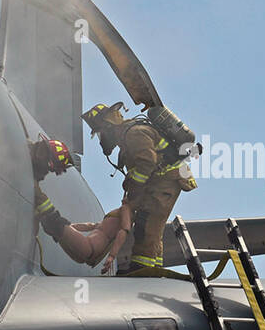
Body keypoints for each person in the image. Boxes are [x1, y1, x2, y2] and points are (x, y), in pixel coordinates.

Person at [83, 102, 192, 276]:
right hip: (160, 183)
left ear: (108, 126)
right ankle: (154, 268)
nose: (101, 138)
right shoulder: (128, 136)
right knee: (152, 227)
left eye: (100, 132)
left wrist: (132, 192)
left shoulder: (134, 134)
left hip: (165, 183)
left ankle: (142, 270)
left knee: (146, 225)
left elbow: (146, 164)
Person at [29, 136, 132, 272]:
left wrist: (112, 256)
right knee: (53, 227)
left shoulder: (126, 210)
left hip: (88, 247)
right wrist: (71, 227)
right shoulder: (116, 214)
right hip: (87, 249)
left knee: (55, 224)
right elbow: (91, 225)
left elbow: (124, 231)